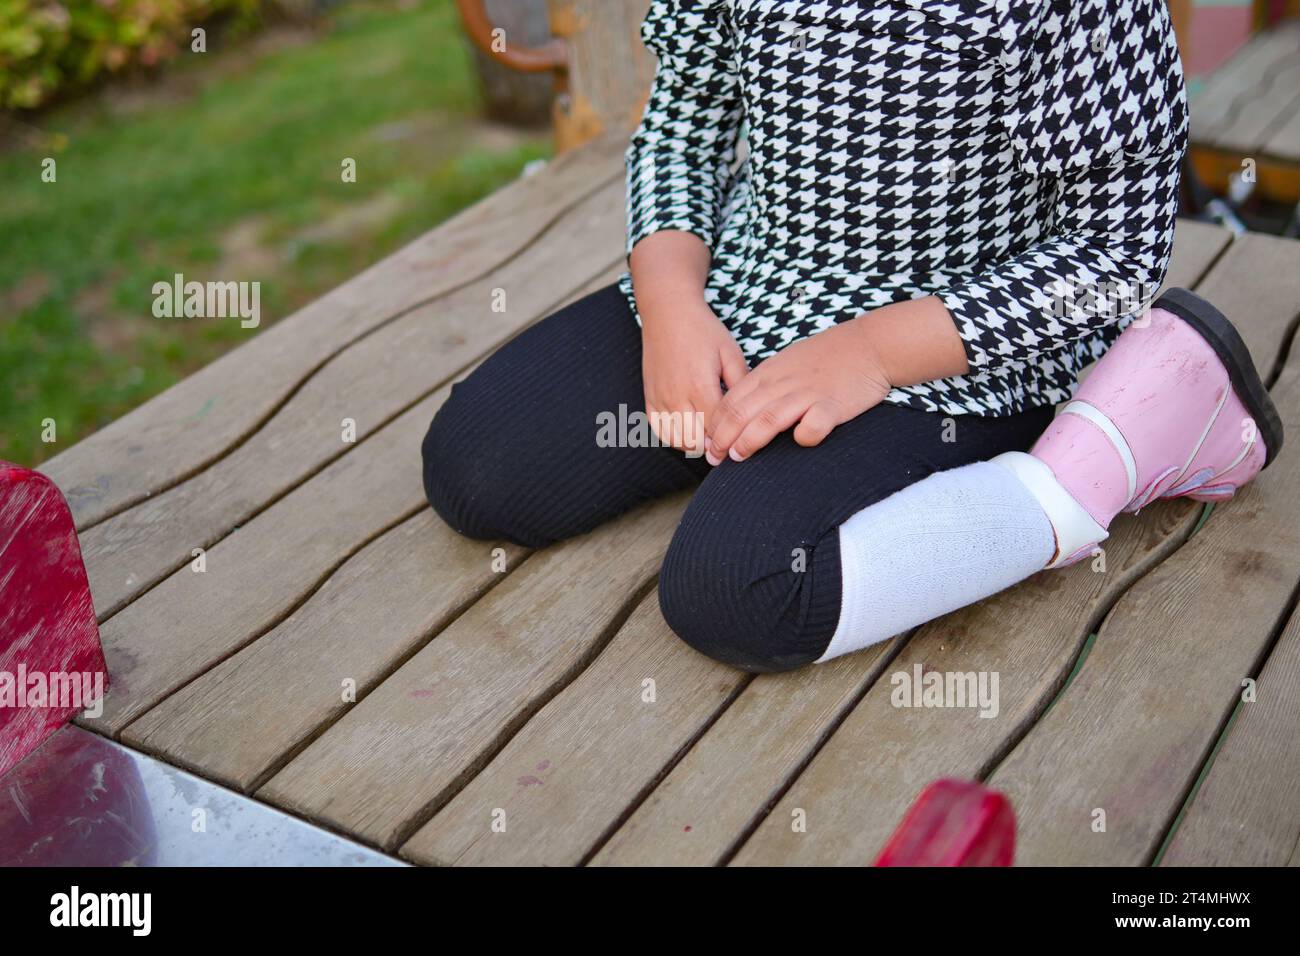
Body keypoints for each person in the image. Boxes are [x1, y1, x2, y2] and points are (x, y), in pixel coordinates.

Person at [422, 0, 1283, 672]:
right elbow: (688, 109)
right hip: (755, 286)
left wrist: (869, 354)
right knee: (480, 467)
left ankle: (1100, 462)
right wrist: (673, 306)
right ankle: (736, 442)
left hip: (958, 344)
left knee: (740, 592)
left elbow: (1114, 251)